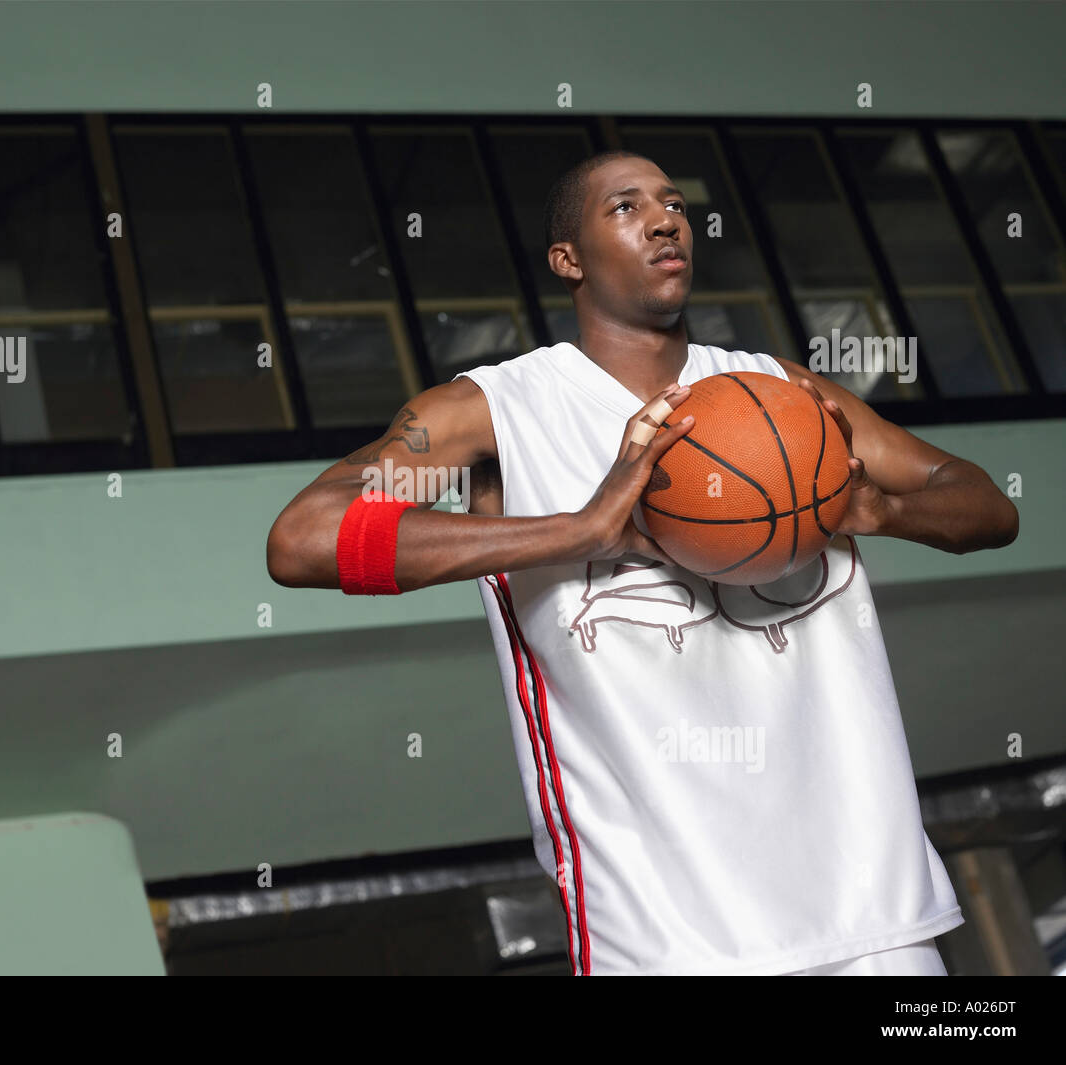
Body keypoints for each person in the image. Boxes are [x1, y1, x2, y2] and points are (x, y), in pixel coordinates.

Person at [265, 150, 1019, 975]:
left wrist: (880, 508)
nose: (666, 219)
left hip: (872, 911)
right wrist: (580, 528)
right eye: (625, 207)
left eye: (674, 204)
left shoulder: (783, 395)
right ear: (568, 260)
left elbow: (987, 505)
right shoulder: (499, 410)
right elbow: (303, 539)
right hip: (662, 934)